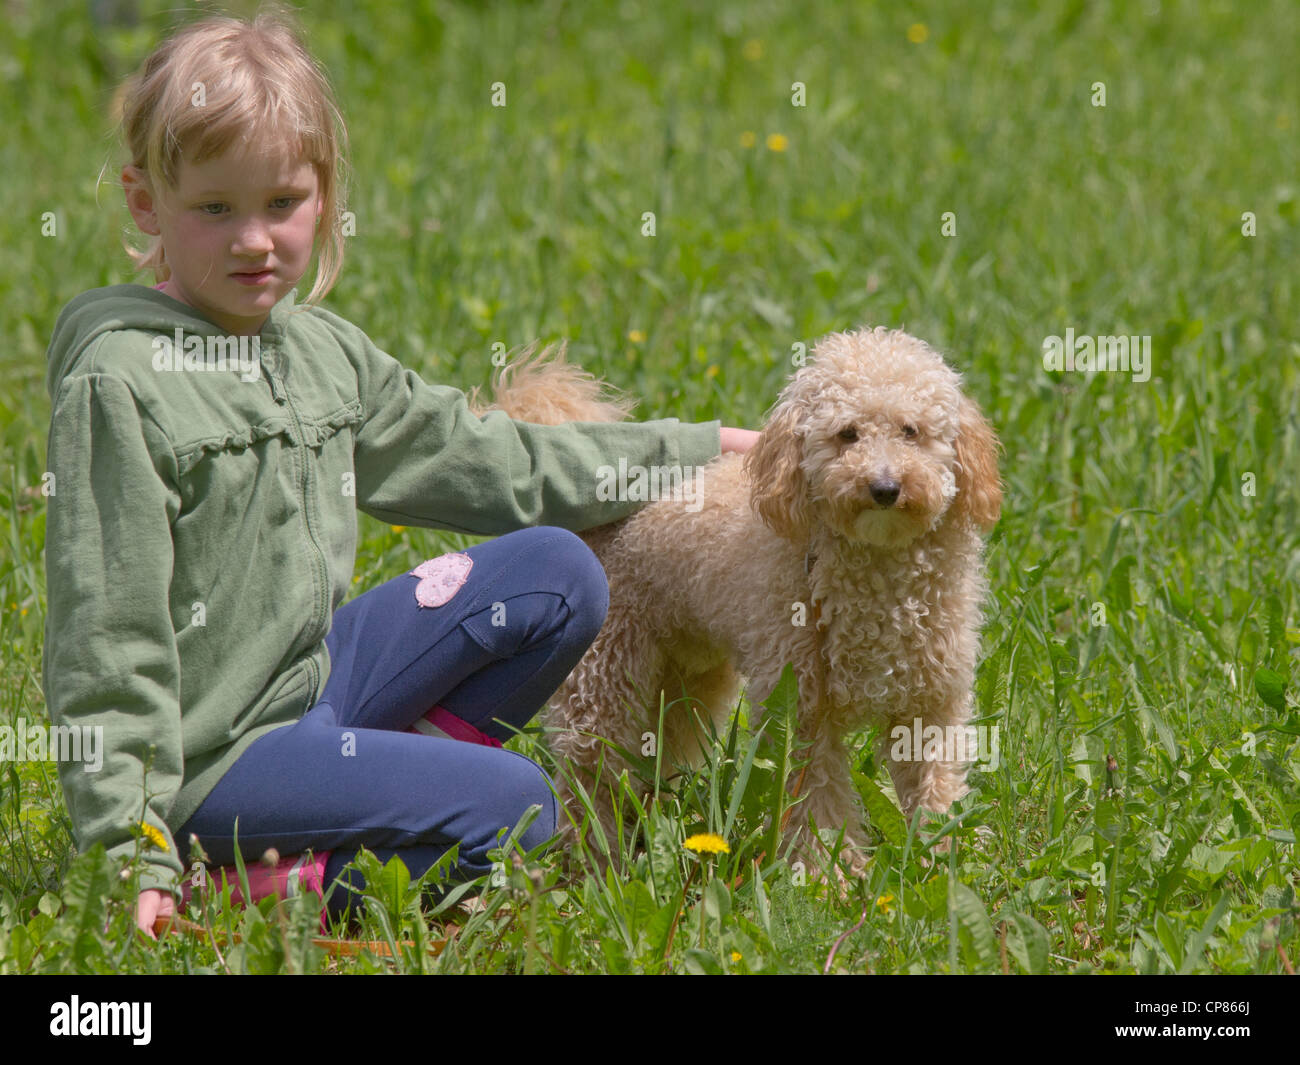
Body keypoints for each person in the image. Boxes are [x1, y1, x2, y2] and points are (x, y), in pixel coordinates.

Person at [42, 8, 759, 939]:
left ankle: (369, 797)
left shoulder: (320, 354)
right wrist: (127, 846)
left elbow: (494, 459)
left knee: (561, 573)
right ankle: (236, 878)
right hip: (211, 760)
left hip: (314, 686)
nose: (254, 241)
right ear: (147, 203)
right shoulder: (121, 383)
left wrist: (697, 451)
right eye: (214, 208)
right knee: (524, 808)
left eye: (282, 203)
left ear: (325, 196)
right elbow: (110, 641)